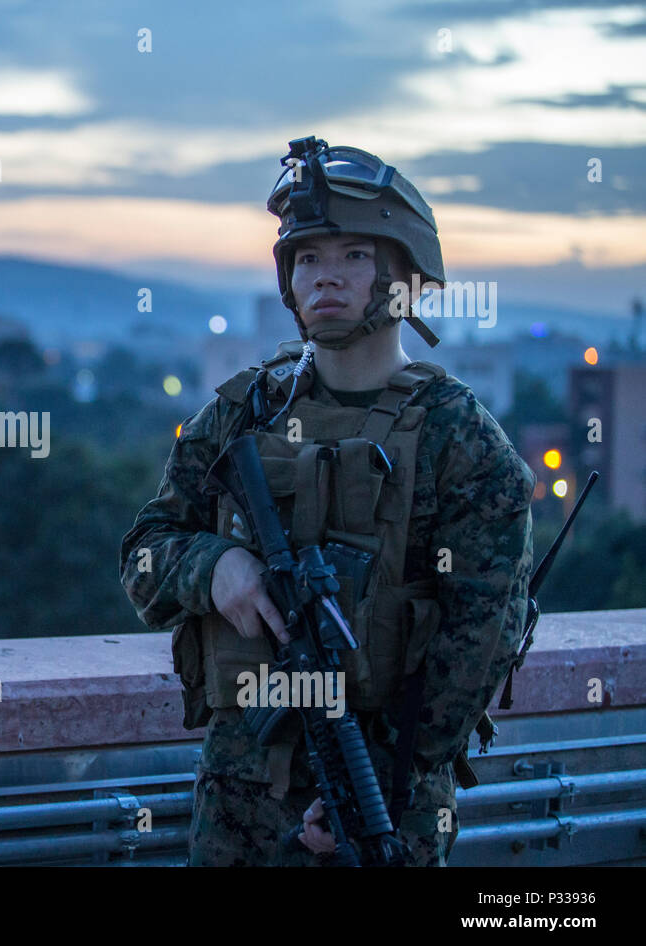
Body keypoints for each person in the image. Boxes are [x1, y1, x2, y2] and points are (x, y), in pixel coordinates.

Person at [118, 137, 534, 866]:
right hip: (238, 803)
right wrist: (216, 569)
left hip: (380, 809)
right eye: (308, 258)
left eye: (353, 256)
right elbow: (145, 551)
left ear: (402, 273)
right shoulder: (244, 411)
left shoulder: (459, 438)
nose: (326, 279)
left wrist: (378, 786)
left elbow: (480, 640)